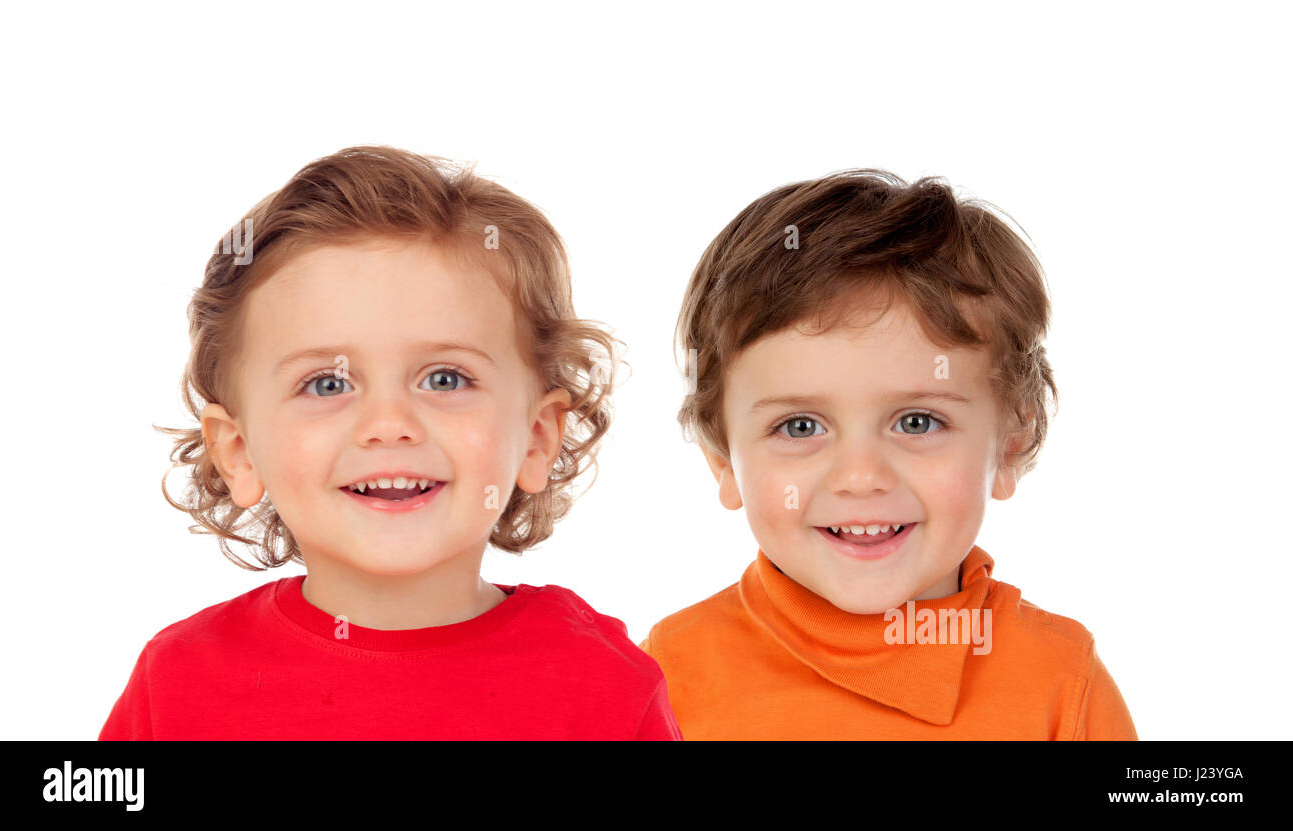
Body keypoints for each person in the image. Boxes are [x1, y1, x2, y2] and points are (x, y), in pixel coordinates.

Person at [100, 146, 680, 740]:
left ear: (537, 437)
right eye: (326, 384)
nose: (389, 423)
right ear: (239, 452)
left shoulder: (602, 687)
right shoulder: (178, 683)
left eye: (446, 379)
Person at [642, 170, 1135, 739]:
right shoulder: (667, 676)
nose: (860, 477)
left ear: (1010, 441)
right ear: (724, 460)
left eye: (917, 421)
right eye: (799, 426)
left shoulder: (1061, 684)